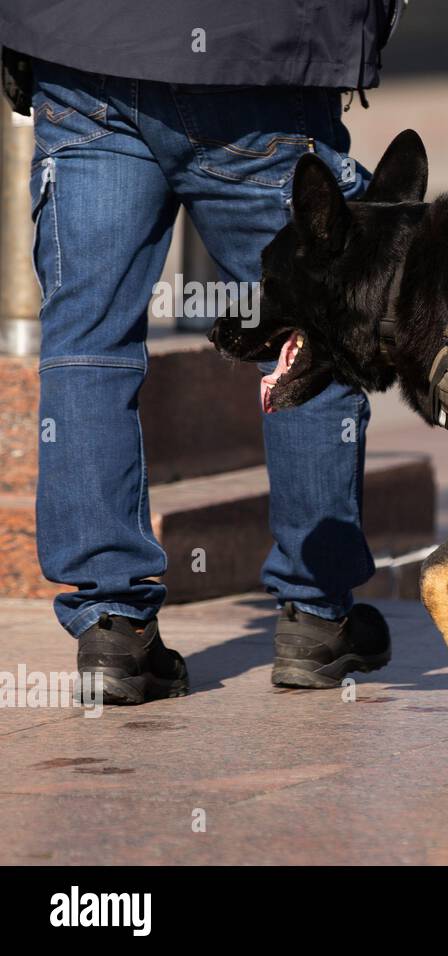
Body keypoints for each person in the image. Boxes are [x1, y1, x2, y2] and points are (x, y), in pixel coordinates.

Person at [0, 0, 402, 703]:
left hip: (86, 50)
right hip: (254, 57)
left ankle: (111, 625)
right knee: (310, 330)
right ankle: (315, 616)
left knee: (89, 340)